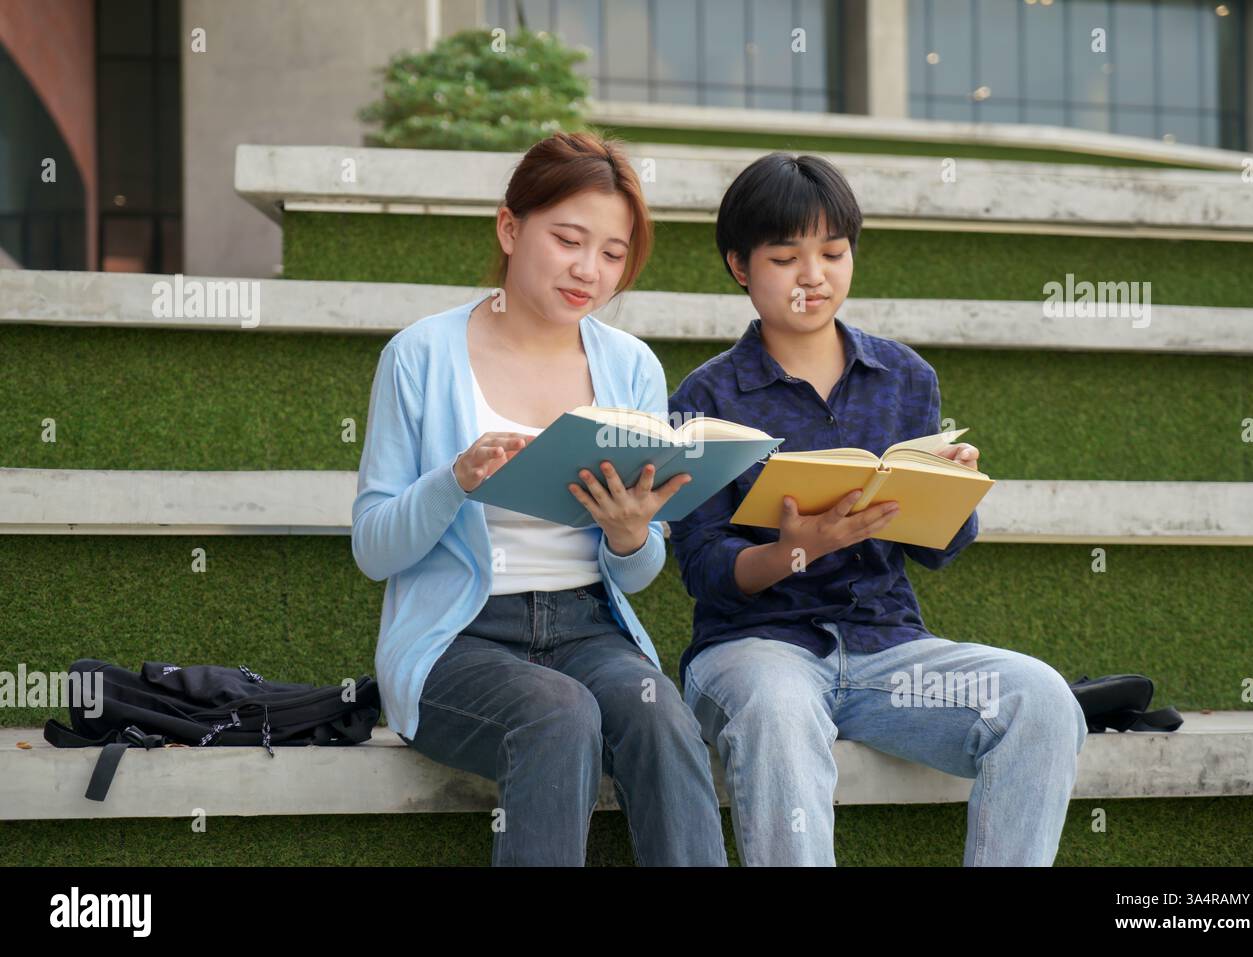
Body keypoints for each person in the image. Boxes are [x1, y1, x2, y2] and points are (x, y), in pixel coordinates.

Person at [667, 152, 1089, 866]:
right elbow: (704, 569)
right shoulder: (705, 397)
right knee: (776, 709)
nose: (814, 275)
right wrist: (796, 547)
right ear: (740, 265)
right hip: (755, 649)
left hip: (886, 649)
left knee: (1042, 699)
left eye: (834, 252)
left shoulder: (904, 377)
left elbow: (938, 548)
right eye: (785, 256)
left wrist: (949, 491)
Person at [351, 131, 727, 866]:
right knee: (558, 714)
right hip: (458, 642)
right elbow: (373, 547)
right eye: (568, 239)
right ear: (510, 226)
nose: (590, 269)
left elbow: (639, 572)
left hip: (590, 629)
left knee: (663, 719)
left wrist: (627, 536)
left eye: (613, 253)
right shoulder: (419, 356)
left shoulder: (631, 367)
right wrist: (454, 480)